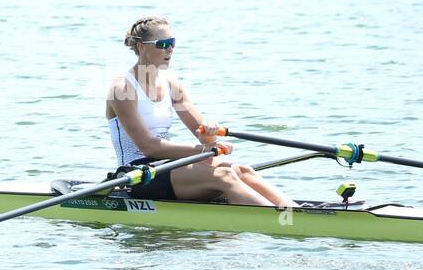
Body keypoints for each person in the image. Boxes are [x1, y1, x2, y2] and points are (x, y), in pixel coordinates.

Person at [105, 16, 296, 207]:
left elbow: (204, 137)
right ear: (141, 47)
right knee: (225, 176)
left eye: (172, 43)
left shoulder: (172, 85)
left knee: (241, 170)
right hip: (137, 175)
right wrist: (203, 150)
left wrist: (209, 134)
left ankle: (294, 212)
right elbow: (149, 147)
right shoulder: (122, 89)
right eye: (162, 44)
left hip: (168, 165)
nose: (170, 49)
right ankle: (282, 221)